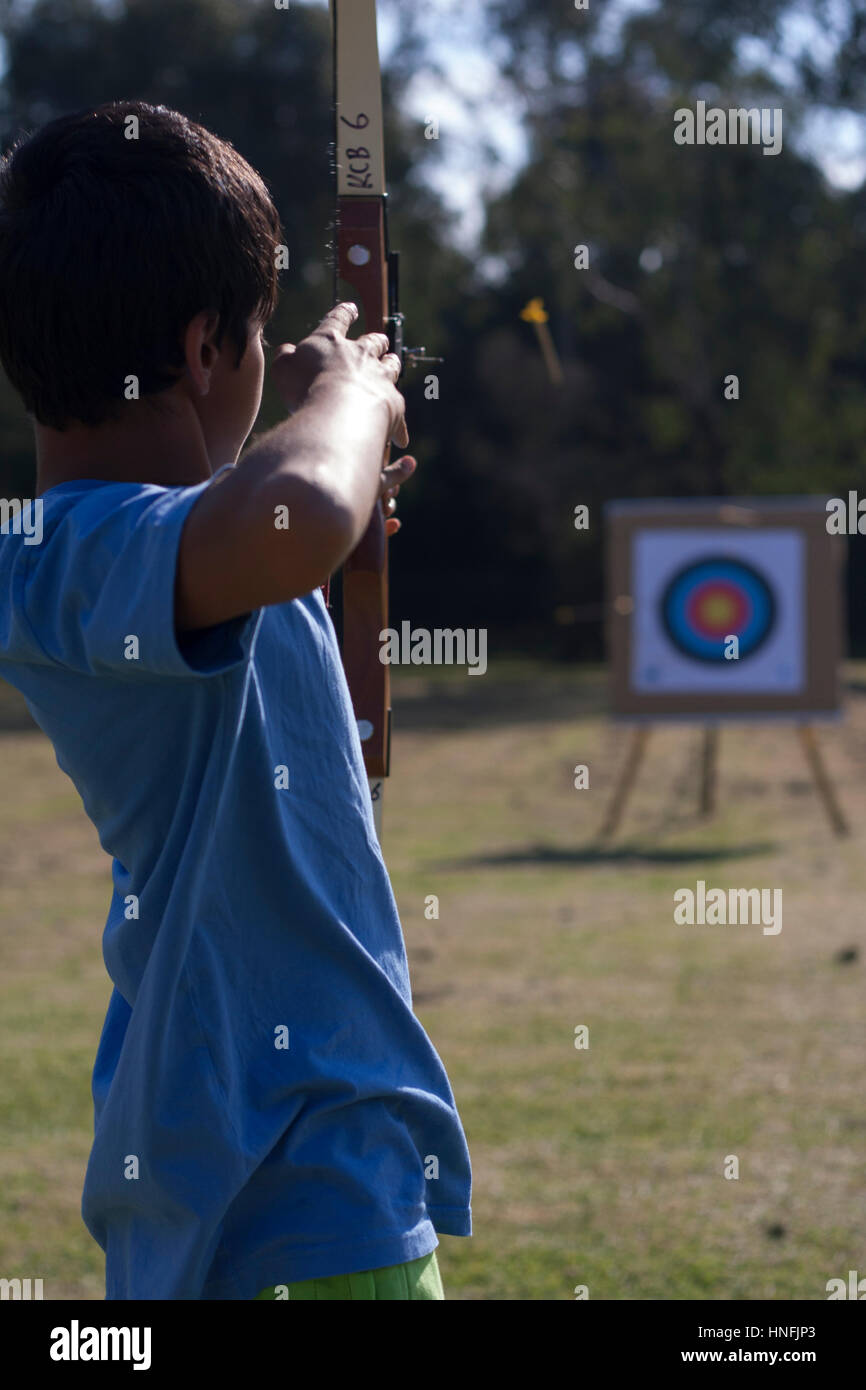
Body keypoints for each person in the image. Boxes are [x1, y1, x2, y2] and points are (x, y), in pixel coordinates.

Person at [0, 100, 471, 1300]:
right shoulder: (66, 553)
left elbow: (296, 521)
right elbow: (295, 513)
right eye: (266, 340)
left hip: (241, 1154)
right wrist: (347, 400)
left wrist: (340, 478)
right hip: (290, 1175)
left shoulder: (169, 542)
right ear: (208, 348)